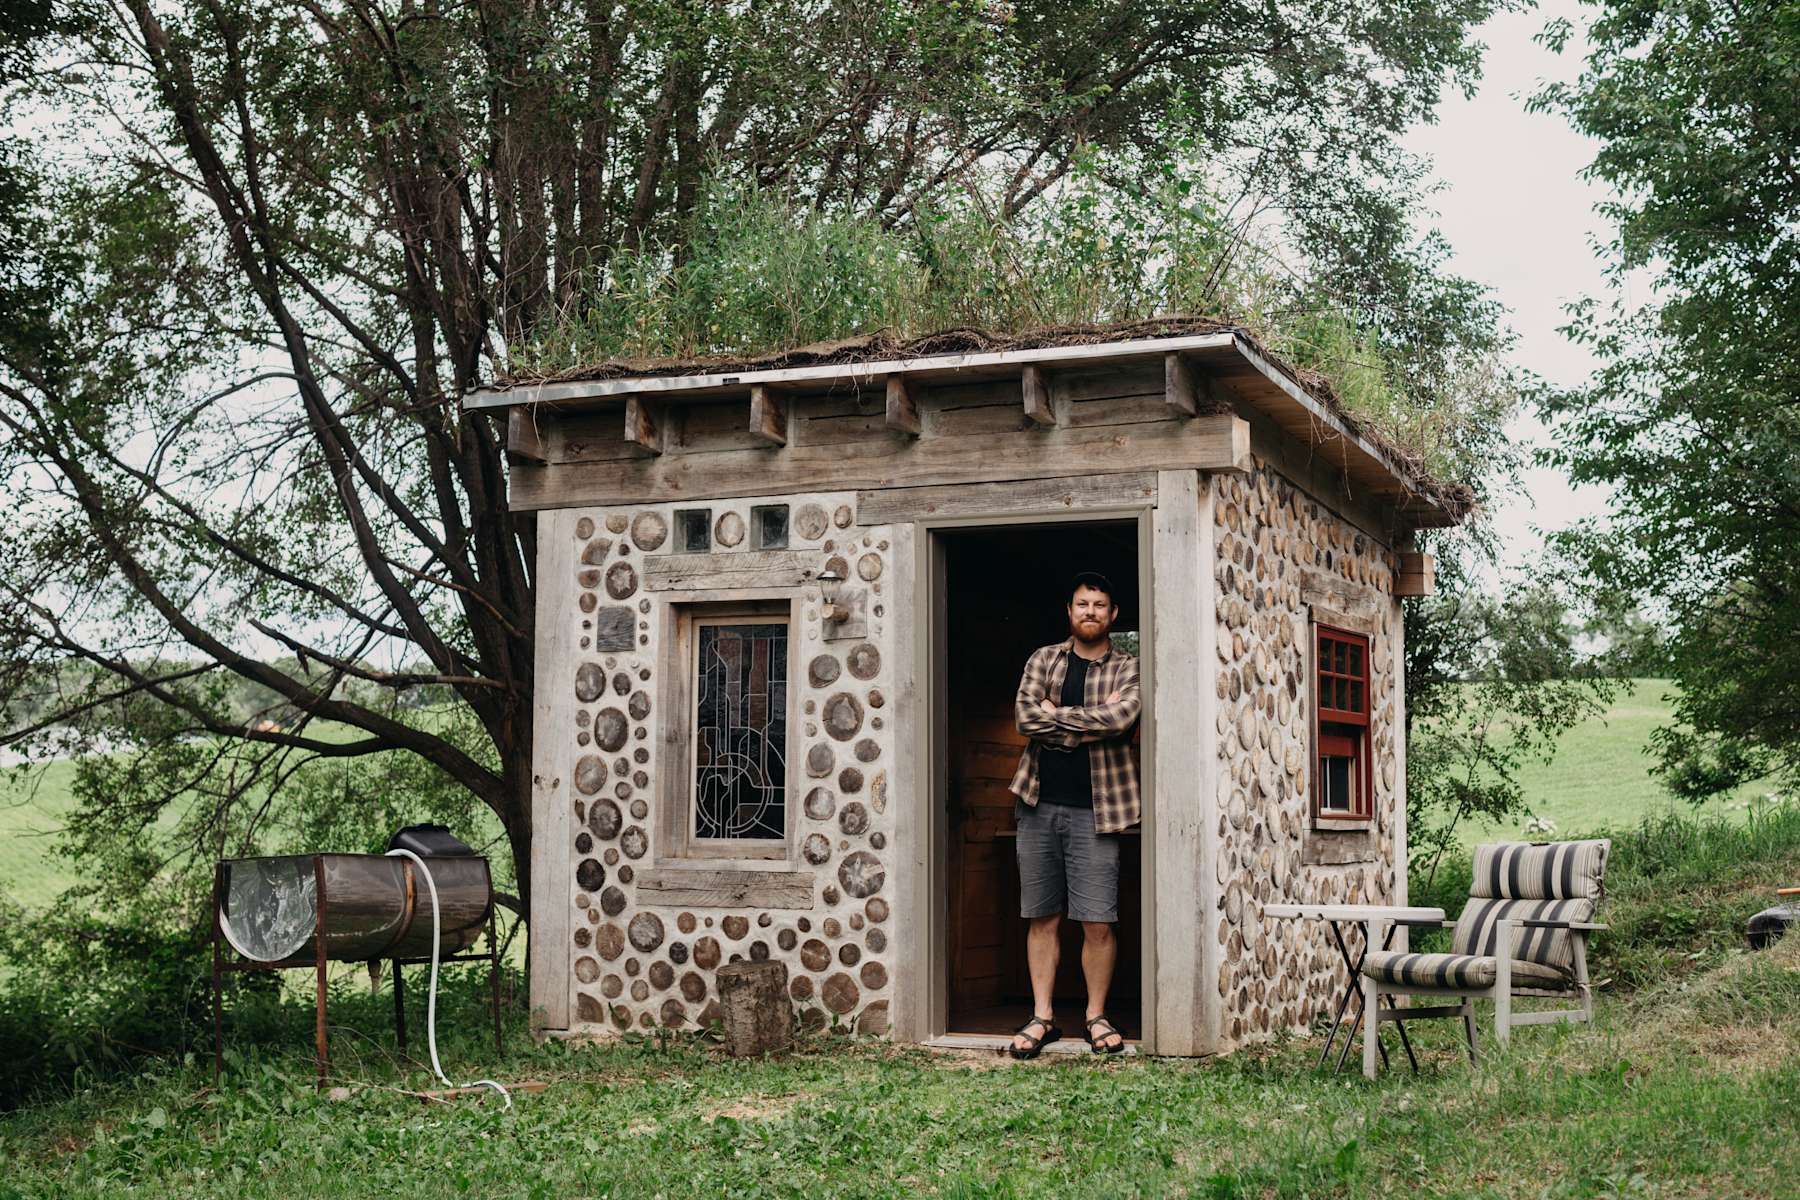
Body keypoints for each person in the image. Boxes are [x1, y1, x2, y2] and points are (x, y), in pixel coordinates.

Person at [1006, 571, 1141, 1057]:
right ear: (1070, 610)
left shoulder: (1128, 667)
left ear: (1113, 614)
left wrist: (1056, 715)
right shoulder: (1044, 659)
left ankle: (1095, 1017)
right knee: (1042, 916)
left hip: (1099, 811)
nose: (1091, 612)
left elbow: (1123, 716)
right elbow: (1025, 717)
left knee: (1097, 921)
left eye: (1100, 605)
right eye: (1083, 604)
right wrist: (1089, 724)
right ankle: (1042, 1017)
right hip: (1038, 804)